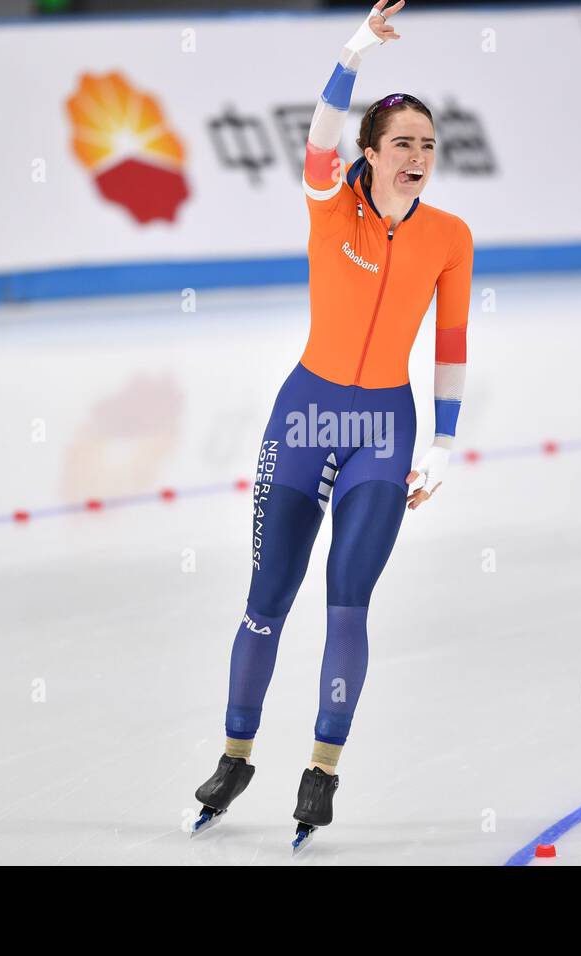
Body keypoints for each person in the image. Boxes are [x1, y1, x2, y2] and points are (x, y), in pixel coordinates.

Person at [191, 0, 473, 851]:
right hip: (306, 413)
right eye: (404, 144)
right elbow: (317, 137)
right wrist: (351, 53)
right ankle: (236, 755)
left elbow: (452, 344)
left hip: (387, 427)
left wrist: (447, 438)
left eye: (429, 145)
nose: (419, 158)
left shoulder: (451, 238)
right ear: (371, 153)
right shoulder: (330, 207)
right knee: (266, 602)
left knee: (347, 603)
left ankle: (322, 771)